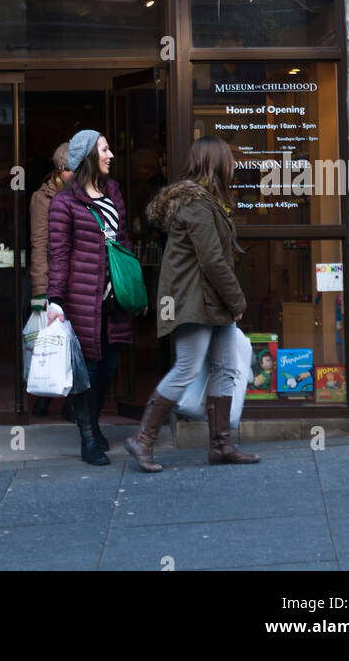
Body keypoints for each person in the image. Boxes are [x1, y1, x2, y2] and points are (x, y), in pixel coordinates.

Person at [125, 136, 260, 472]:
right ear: (216, 162)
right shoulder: (196, 204)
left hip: (209, 302)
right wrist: (237, 300)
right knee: (187, 367)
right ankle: (142, 439)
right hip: (194, 302)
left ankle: (221, 445)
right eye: (228, 159)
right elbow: (213, 260)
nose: (233, 165)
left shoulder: (206, 201)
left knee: (227, 368)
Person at [47, 130, 138, 466]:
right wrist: (55, 300)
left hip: (115, 300)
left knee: (109, 367)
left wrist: (133, 285)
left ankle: (94, 423)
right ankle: (87, 437)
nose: (111, 154)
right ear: (88, 156)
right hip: (82, 300)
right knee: (87, 370)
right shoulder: (64, 202)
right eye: (104, 148)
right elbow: (59, 253)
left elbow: (124, 241)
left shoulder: (113, 191)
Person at [28, 141, 73, 418]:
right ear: (59, 170)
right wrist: (39, 292)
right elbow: (39, 245)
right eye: (70, 170)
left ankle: (71, 402)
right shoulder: (41, 198)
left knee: (74, 342)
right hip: (52, 280)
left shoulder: (85, 192)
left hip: (78, 279)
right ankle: (44, 396)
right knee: (48, 341)